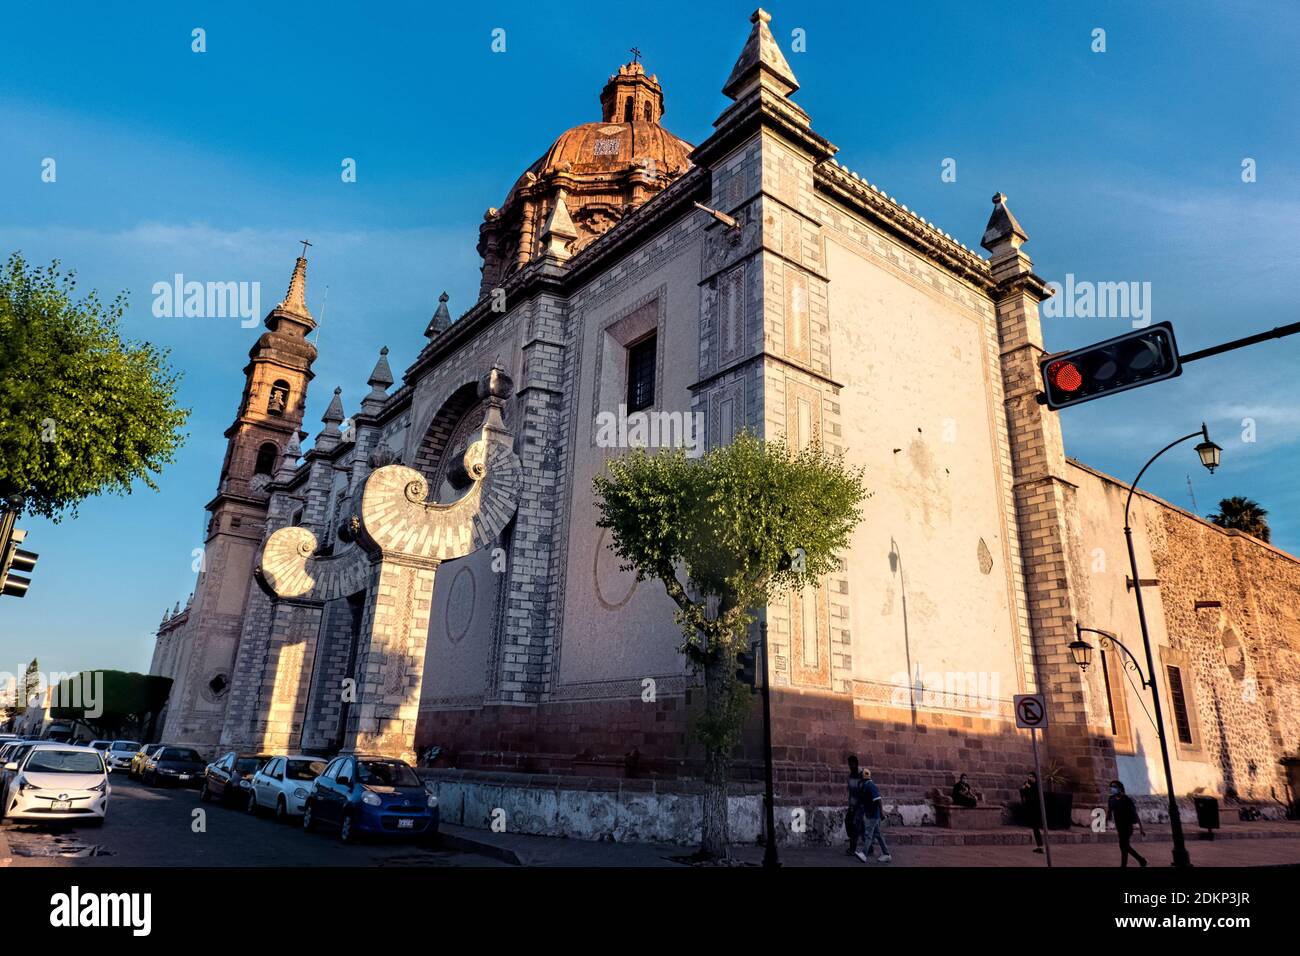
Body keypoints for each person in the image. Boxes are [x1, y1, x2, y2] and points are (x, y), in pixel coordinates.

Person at [1107, 780, 1148, 868]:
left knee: (1123, 845)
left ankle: (1126, 864)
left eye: (1114, 787)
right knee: (1124, 846)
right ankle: (1141, 860)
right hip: (1119, 826)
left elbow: (1135, 813)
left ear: (1120, 788)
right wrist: (1107, 820)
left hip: (1127, 827)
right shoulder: (1111, 799)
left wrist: (1141, 828)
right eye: (1111, 787)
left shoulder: (1126, 800)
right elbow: (1110, 810)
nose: (1112, 788)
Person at [857, 768, 892, 863]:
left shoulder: (870, 786)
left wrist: (881, 813)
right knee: (878, 835)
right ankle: (886, 854)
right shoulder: (866, 785)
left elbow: (878, 799)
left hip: (873, 815)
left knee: (868, 834)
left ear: (863, 777)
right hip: (871, 814)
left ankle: (864, 854)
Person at [845, 755, 866, 857]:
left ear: (856, 763)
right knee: (849, 822)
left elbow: (863, 792)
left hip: (860, 806)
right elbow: (850, 792)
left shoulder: (862, 774)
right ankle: (869, 847)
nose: (851, 766)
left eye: (852, 764)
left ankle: (852, 849)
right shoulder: (851, 776)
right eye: (849, 764)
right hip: (853, 805)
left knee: (855, 827)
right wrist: (850, 805)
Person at [1020, 772, 1044, 853]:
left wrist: (1028, 787)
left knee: (1036, 828)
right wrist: (1023, 788)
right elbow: (1023, 794)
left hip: (1036, 809)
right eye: (1028, 776)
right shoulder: (1027, 784)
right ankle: (1039, 846)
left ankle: (1040, 846)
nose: (1029, 778)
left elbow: (1035, 795)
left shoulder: (1036, 786)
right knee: (1035, 828)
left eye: (1031, 776)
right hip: (1030, 809)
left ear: (1035, 778)